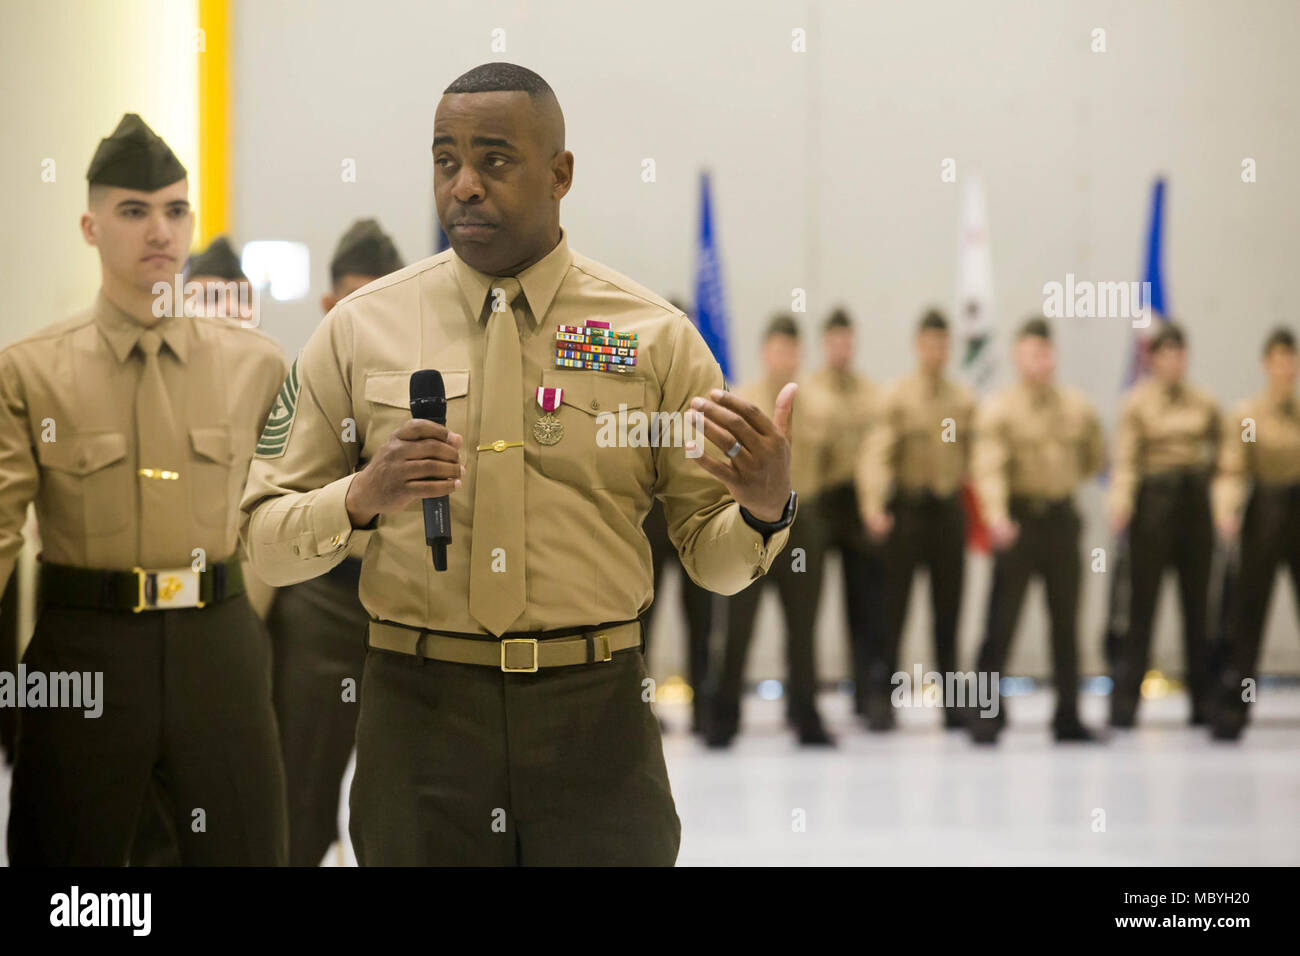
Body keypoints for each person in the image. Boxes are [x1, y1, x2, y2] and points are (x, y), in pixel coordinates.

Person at [239, 63, 796, 866]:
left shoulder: (656, 339)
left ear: (560, 174)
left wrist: (764, 512)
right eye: (446, 161)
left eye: (493, 160)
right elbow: (263, 540)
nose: (464, 185)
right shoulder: (359, 331)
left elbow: (713, 560)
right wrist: (358, 497)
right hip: (419, 721)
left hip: (594, 722)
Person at [0, 113, 289, 864]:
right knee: (67, 871)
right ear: (91, 226)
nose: (159, 230)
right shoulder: (31, 371)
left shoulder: (256, 367)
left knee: (244, 847)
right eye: (134, 211)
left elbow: (287, 510)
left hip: (218, 644)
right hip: (85, 648)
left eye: (175, 210)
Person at [266, 218, 404, 866]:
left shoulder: (428, 386)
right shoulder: (301, 385)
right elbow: (267, 503)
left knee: (407, 803)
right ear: (327, 303)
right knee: (300, 792)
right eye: (352, 303)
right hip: (320, 602)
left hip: (406, 605)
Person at [968, 318, 1103, 744]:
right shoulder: (1001, 409)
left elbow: (1095, 458)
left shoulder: (1077, 407)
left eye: (1044, 353)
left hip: (1061, 522)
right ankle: (986, 714)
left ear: (1053, 356)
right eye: (1030, 354)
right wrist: (996, 516)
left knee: (1066, 623)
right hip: (1018, 523)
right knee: (1000, 623)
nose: (1039, 362)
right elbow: (988, 467)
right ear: (1016, 357)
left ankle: (1068, 715)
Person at [708, 314, 831, 747]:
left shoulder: (819, 405)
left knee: (803, 625)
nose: (784, 358)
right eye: (777, 349)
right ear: (764, 353)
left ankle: (805, 714)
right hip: (752, 521)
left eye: (791, 350)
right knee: (738, 624)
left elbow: (833, 463)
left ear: (800, 354)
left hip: (802, 522)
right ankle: (723, 718)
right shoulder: (741, 402)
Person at [857, 309, 975, 730]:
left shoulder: (962, 399)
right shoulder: (898, 397)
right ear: (917, 346)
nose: (935, 352)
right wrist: (873, 506)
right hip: (908, 513)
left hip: (947, 512)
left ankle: (953, 702)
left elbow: (978, 456)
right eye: (929, 343)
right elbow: (877, 454)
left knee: (949, 612)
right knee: (892, 611)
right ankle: (882, 698)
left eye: (942, 344)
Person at [1107, 323, 1220, 727]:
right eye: (1165, 354)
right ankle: (1125, 705)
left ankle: (1204, 702)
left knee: (1198, 608)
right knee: (1140, 609)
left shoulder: (1204, 402)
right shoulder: (1136, 403)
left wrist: (1223, 502)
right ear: (1152, 359)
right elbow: (1125, 459)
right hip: (1153, 505)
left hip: (1194, 505)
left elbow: (1224, 455)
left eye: (1179, 354)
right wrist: (1120, 503)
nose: (1173, 362)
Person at [1210, 326, 1300, 740]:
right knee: (1247, 617)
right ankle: (1236, 706)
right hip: (1265, 510)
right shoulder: (1248, 415)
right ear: (1267, 364)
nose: (1285, 368)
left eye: (1291, 360)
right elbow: (1233, 467)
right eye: (1277, 360)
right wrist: (1227, 508)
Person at [798, 308, 882, 722]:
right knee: (806, 605)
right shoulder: (808, 392)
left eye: (847, 342)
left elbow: (877, 454)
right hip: (818, 504)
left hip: (857, 504)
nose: (841, 349)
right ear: (823, 344)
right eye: (834, 342)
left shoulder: (870, 394)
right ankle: (804, 700)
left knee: (865, 605)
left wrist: (874, 506)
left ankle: (868, 697)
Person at [639, 301, 717, 737]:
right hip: (651, 517)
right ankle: (641, 710)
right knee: (642, 621)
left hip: (694, 513)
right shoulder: (640, 382)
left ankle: (705, 710)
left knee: (702, 619)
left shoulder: (707, 384)